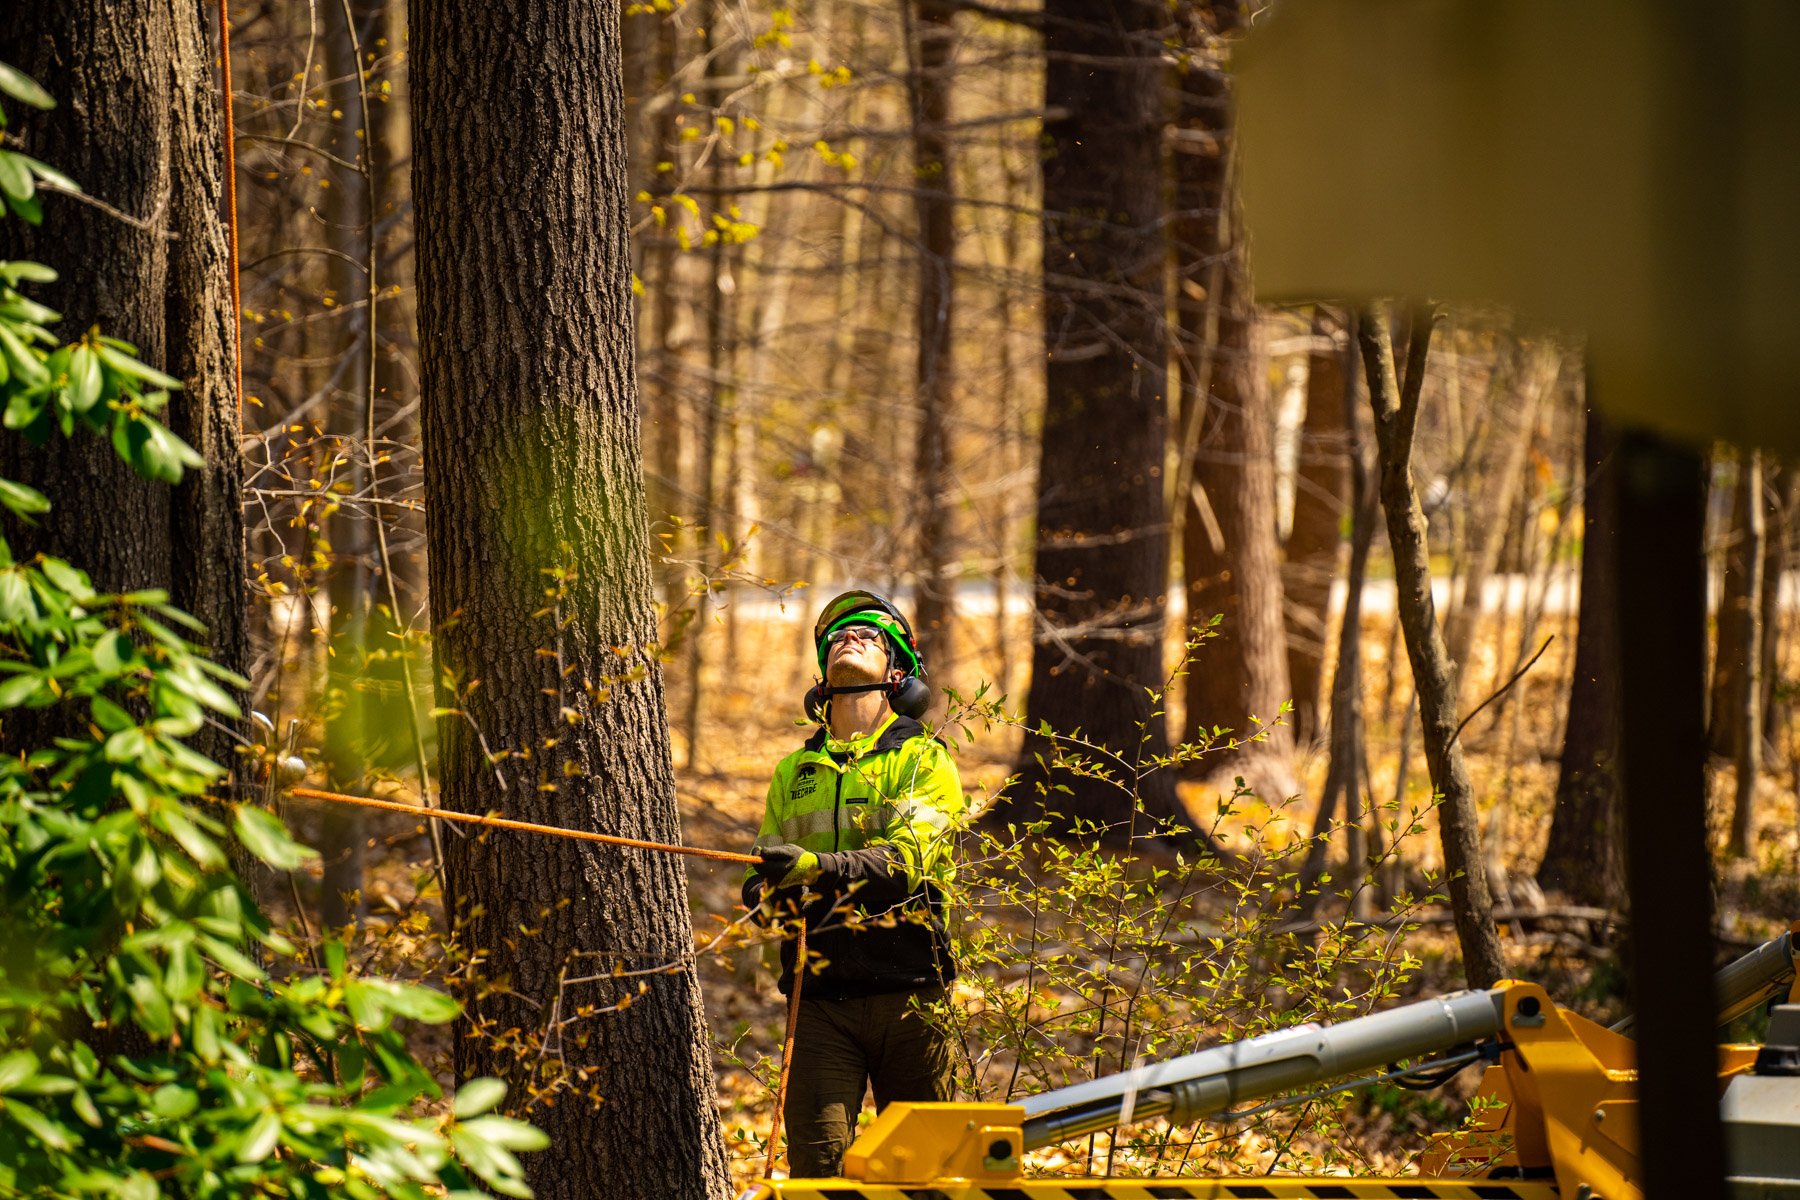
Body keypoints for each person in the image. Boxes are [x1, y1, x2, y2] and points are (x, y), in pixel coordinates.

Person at [743, 590, 965, 1178]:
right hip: (818, 1005)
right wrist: (770, 889)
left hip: (911, 995)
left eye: (868, 636)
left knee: (927, 1174)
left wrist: (815, 871)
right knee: (817, 1172)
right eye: (838, 636)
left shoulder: (924, 759)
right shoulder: (794, 771)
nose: (850, 639)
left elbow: (907, 863)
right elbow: (756, 890)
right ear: (822, 675)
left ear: (898, 672)